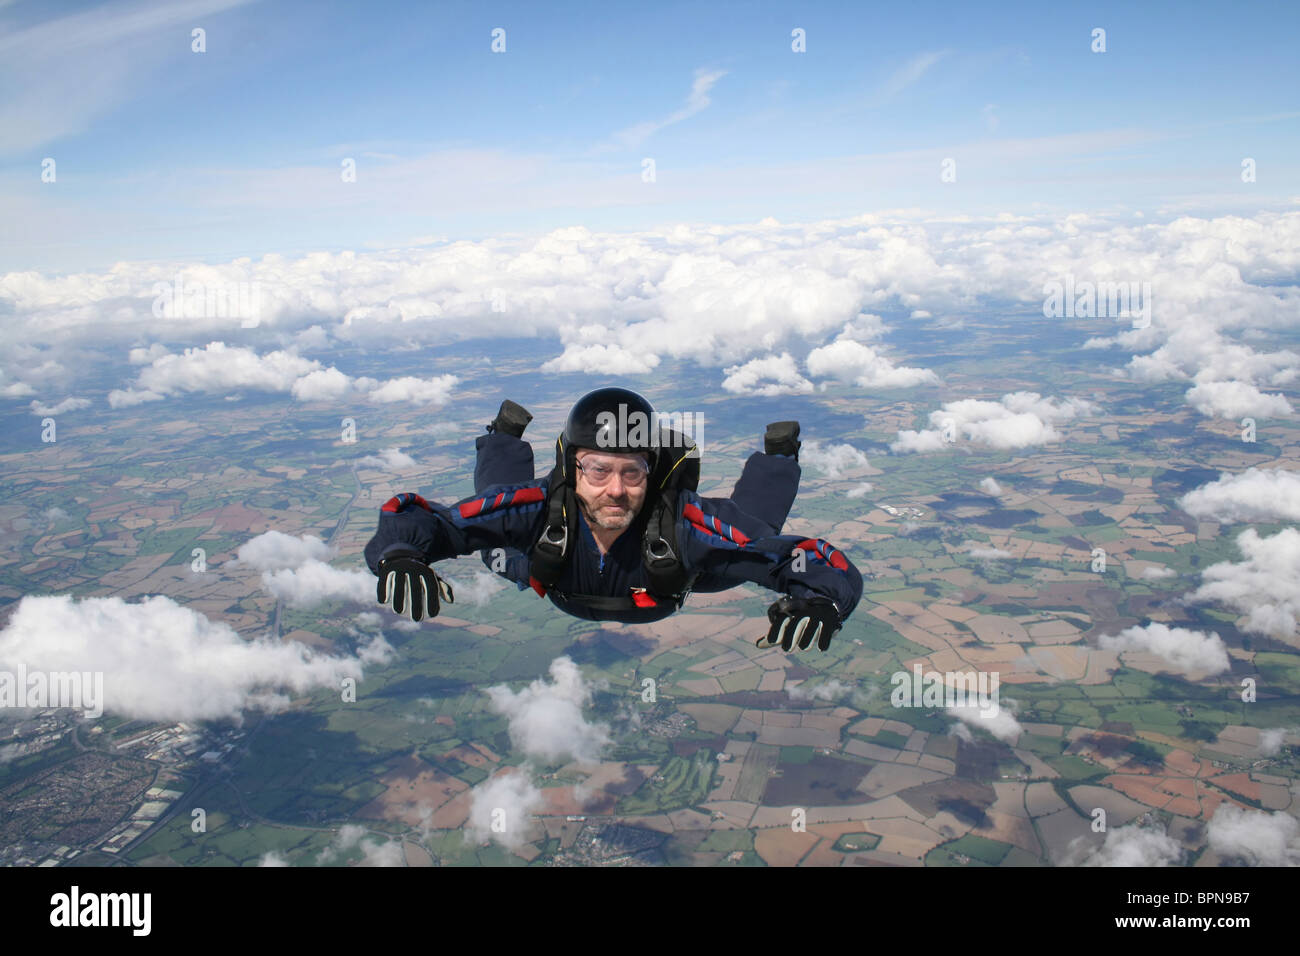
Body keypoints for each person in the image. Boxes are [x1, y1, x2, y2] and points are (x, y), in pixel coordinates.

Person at [363, 387, 864, 652]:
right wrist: (401, 553)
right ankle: (504, 435)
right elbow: (429, 518)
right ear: (571, 468)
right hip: (544, 567)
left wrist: (822, 598)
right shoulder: (535, 510)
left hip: (677, 572)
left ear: (654, 472)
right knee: (493, 509)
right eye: (598, 470)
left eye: (634, 472)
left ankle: (779, 456)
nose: (617, 491)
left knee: (755, 530)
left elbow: (804, 557)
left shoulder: (687, 528)